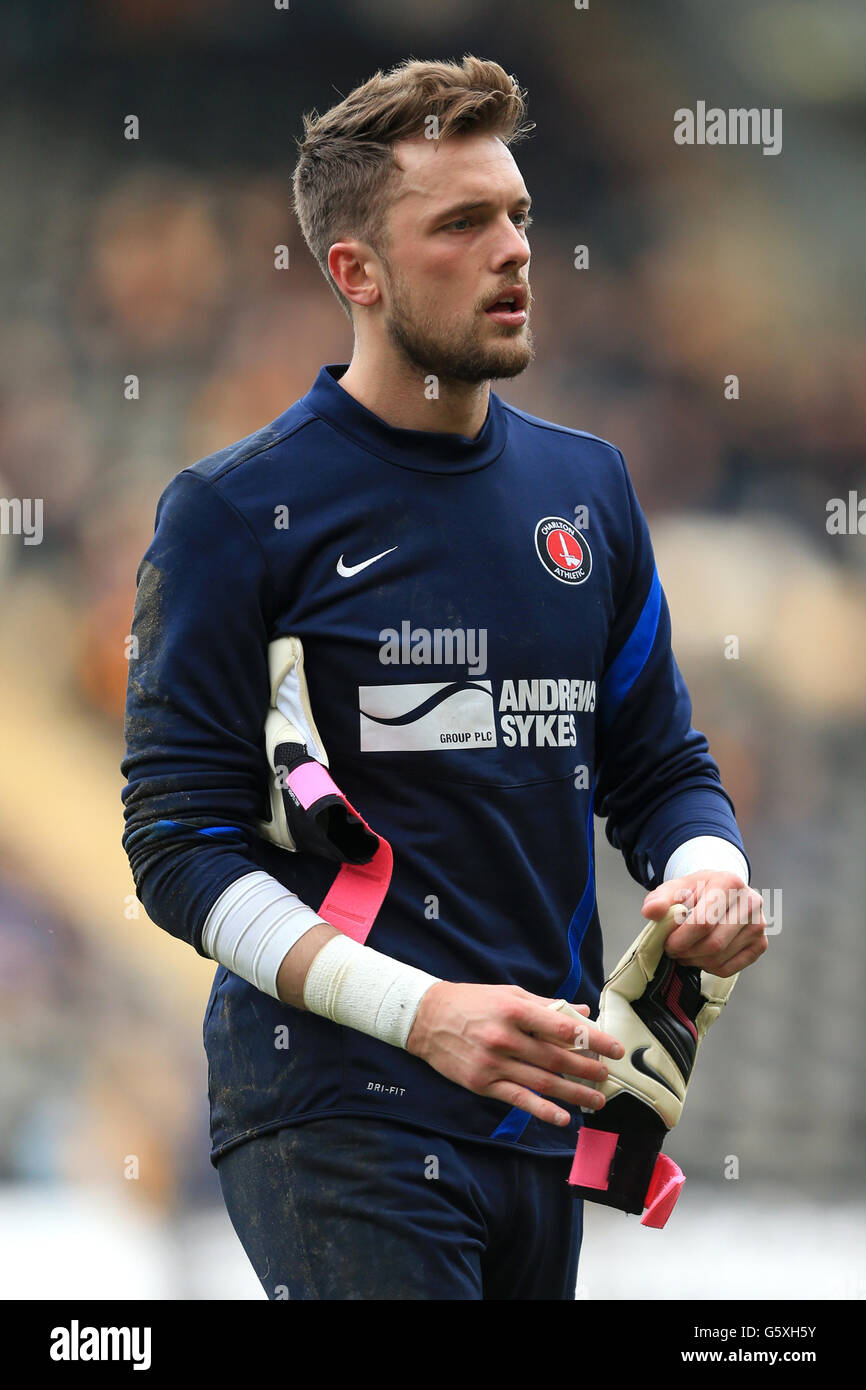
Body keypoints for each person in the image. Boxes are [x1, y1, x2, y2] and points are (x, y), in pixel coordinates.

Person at [120, 55, 767, 1301]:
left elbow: (659, 772)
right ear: (353, 272)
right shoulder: (232, 514)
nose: (513, 249)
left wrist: (709, 881)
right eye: (462, 223)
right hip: (339, 1113)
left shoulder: (590, 491)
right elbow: (176, 847)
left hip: (538, 1115)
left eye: (518, 214)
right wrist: (423, 1013)